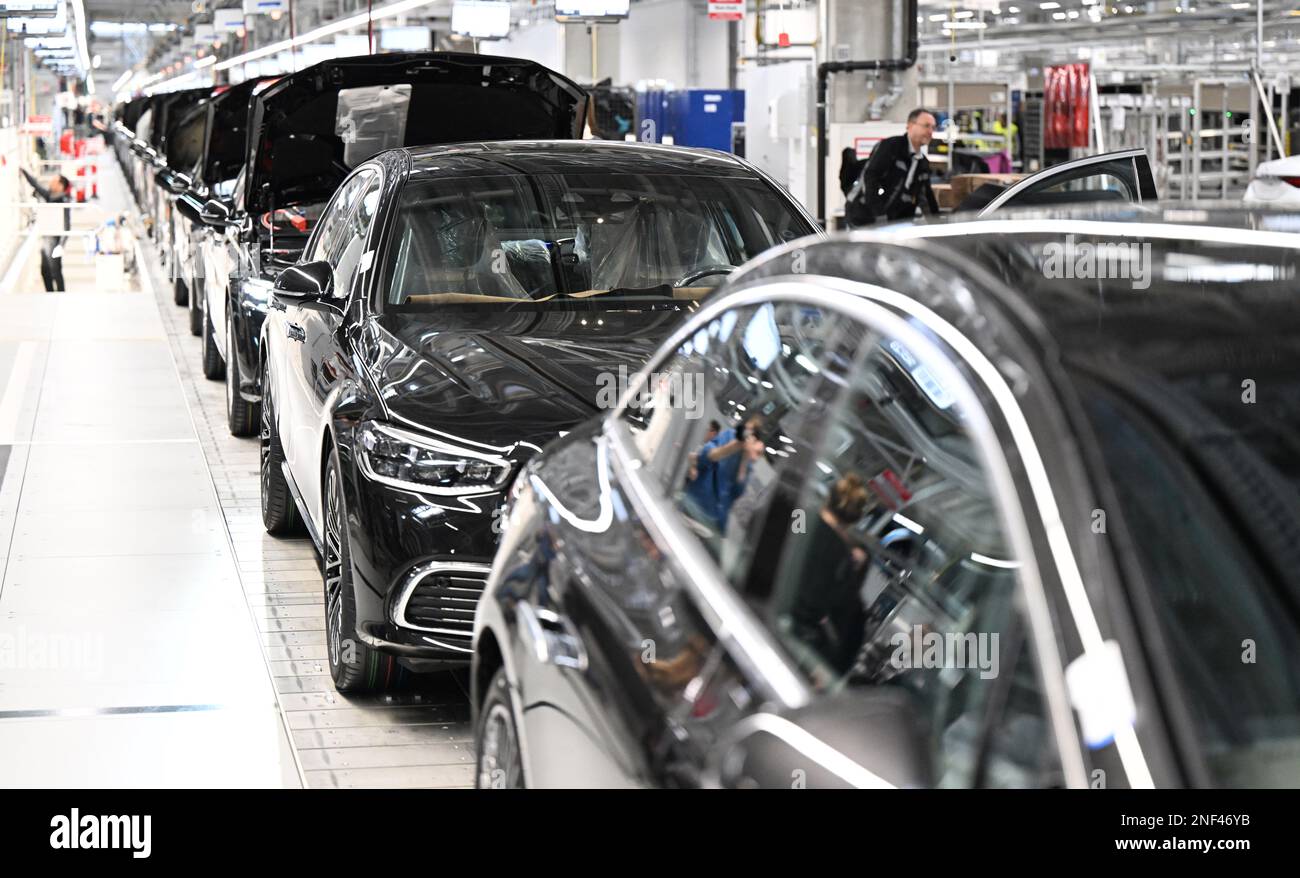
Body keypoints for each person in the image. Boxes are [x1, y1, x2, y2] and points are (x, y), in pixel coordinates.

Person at [846, 108, 940, 226]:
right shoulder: (891, 147)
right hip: (864, 214)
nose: (930, 131)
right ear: (910, 126)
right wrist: (879, 215)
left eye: (933, 127)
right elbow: (870, 177)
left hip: (893, 220)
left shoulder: (922, 162)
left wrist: (937, 223)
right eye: (926, 126)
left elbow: (926, 196)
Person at [21, 168, 71, 292]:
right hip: (47, 235)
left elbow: (67, 225)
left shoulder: (63, 200)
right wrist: (23, 171)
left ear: (60, 186)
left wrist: (61, 245)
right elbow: (36, 185)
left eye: (54, 181)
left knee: (55, 270)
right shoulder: (49, 195)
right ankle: (50, 294)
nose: (51, 182)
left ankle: (60, 295)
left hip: (55, 239)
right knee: (45, 270)